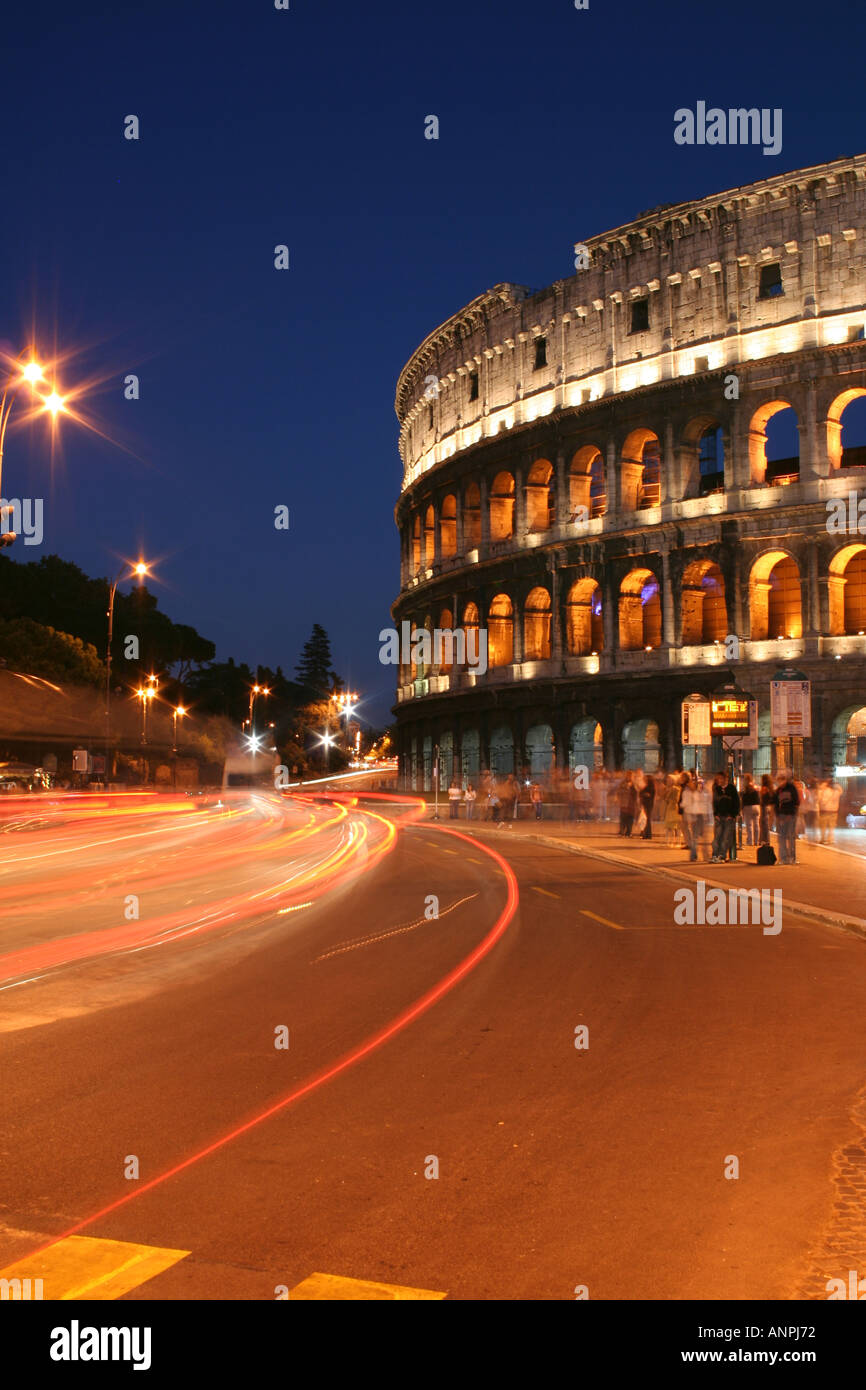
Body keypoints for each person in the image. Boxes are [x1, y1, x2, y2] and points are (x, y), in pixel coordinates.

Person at [711, 769, 740, 862]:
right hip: (719, 817)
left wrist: (732, 815)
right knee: (717, 837)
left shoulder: (732, 789)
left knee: (726, 837)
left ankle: (722, 855)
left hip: (728, 817)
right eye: (718, 779)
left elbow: (737, 802)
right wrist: (715, 814)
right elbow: (714, 802)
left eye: (720, 779)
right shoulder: (717, 789)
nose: (719, 781)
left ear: (725, 779)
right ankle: (715, 855)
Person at [773, 771, 800, 864]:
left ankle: (792, 857)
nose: (780, 782)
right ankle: (783, 858)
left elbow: (796, 802)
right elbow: (775, 804)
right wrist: (778, 816)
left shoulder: (792, 789)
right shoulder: (778, 790)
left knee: (791, 837)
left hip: (791, 815)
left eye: (782, 779)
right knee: (781, 837)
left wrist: (791, 814)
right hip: (781, 816)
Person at [680, 773, 704, 862]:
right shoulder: (698, 793)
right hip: (697, 814)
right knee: (695, 836)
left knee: (694, 836)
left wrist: (681, 805)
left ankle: (693, 855)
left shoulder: (688, 792)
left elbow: (685, 803)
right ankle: (694, 855)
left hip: (692, 814)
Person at [817, 779, 841, 844]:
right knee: (831, 827)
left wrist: (821, 787)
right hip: (834, 811)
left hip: (824, 811)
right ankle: (830, 839)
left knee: (823, 826)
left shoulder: (823, 791)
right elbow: (840, 790)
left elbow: (818, 799)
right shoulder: (837, 792)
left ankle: (823, 839)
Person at [741, 774, 760, 847]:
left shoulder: (746, 788)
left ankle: (750, 841)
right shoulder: (755, 786)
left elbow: (744, 799)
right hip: (756, 806)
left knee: (749, 825)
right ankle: (756, 841)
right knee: (756, 825)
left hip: (748, 807)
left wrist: (742, 809)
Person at [663, 775, 682, 845]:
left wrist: (668, 798)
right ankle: (670, 842)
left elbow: (676, 799)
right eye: (667, 780)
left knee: (674, 827)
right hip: (670, 808)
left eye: (669, 780)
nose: (668, 781)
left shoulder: (675, 789)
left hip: (673, 809)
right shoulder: (668, 789)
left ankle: (675, 842)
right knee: (671, 827)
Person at [638, 770, 655, 840]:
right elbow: (640, 793)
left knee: (647, 820)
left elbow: (649, 795)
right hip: (645, 804)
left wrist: (645, 794)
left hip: (649, 804)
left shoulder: (651, 787)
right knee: (646, 819)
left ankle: (648, 834)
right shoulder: (646, 787)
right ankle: (647, 833)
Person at [618, 773, 637, 837]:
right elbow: (619, 792)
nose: (630, 777)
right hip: (624, 803)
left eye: (631, 776)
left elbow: (637, 792)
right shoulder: (623, 783)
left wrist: (632, 786)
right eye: (629, 776)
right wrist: (626, 787)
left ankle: (629, 832)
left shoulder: (634, 784)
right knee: (623, 818)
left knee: (630, 819)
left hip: (631, 804)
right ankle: (621, 831)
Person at [759, 774, 775, 846]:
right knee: (766, 824)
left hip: (764, 806)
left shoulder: (764, 788)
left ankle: (764, 840)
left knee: (763, 824)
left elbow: (762, 798)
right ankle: (766, 840)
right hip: (769, 806)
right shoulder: (771, 787)